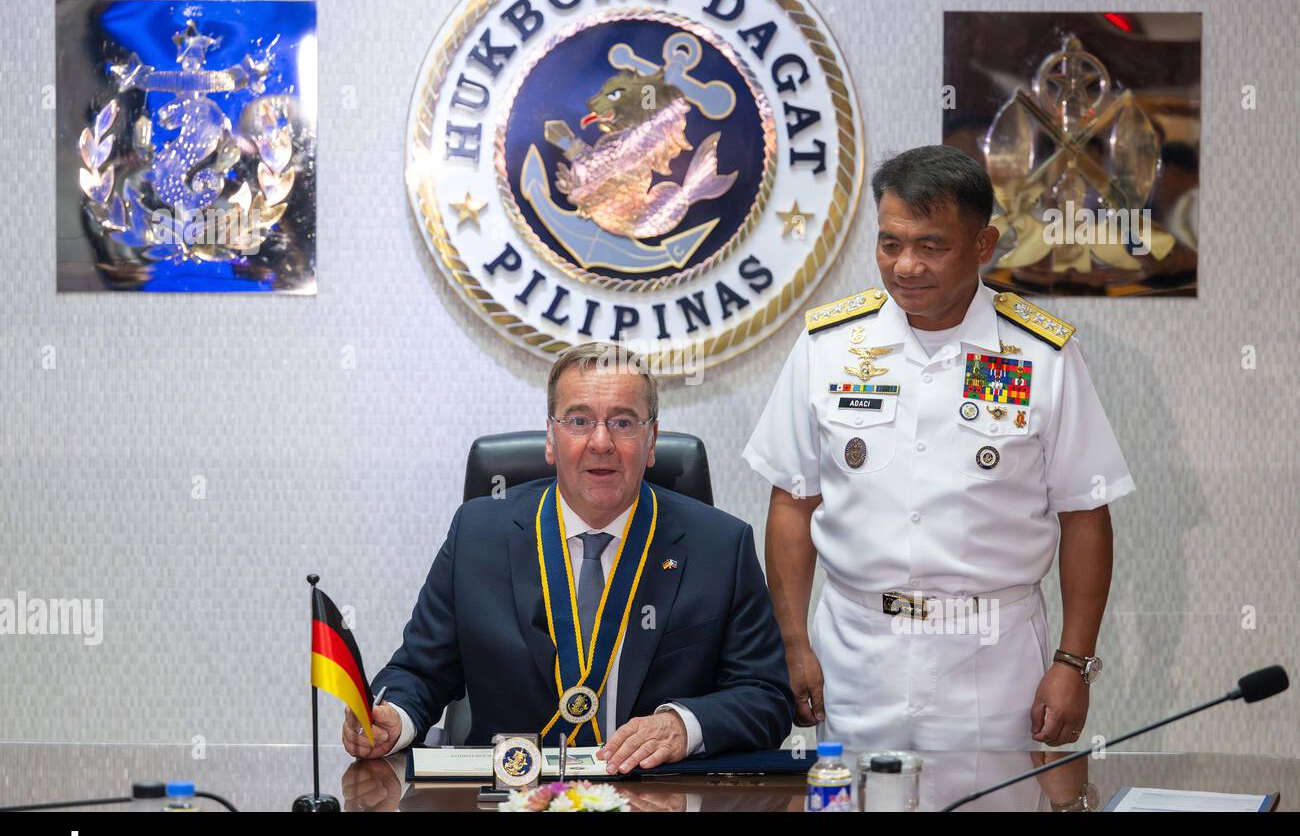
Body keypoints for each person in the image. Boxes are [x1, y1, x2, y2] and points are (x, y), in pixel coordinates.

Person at [743, 145, 1135, 751]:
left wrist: (1074, 662)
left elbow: (1085, 512)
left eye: (932, 246)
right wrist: (792, 644)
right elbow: (794, 502)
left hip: (996, 662)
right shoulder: (828, 346)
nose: (906, 266)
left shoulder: (1039, 355)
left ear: (984, 245)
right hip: (856, 655)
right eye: (890, 243)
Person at [344, 342, 794, 773]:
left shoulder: (719, 546)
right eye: (579, 421)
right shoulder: (478, 534)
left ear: (651, 440)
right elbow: (418, 672)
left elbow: (766, 698)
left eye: (623, 422)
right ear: (550, 437)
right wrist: (392, 719)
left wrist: (683, 725)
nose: (601, 442)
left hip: (652, 795)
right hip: (510, 792)